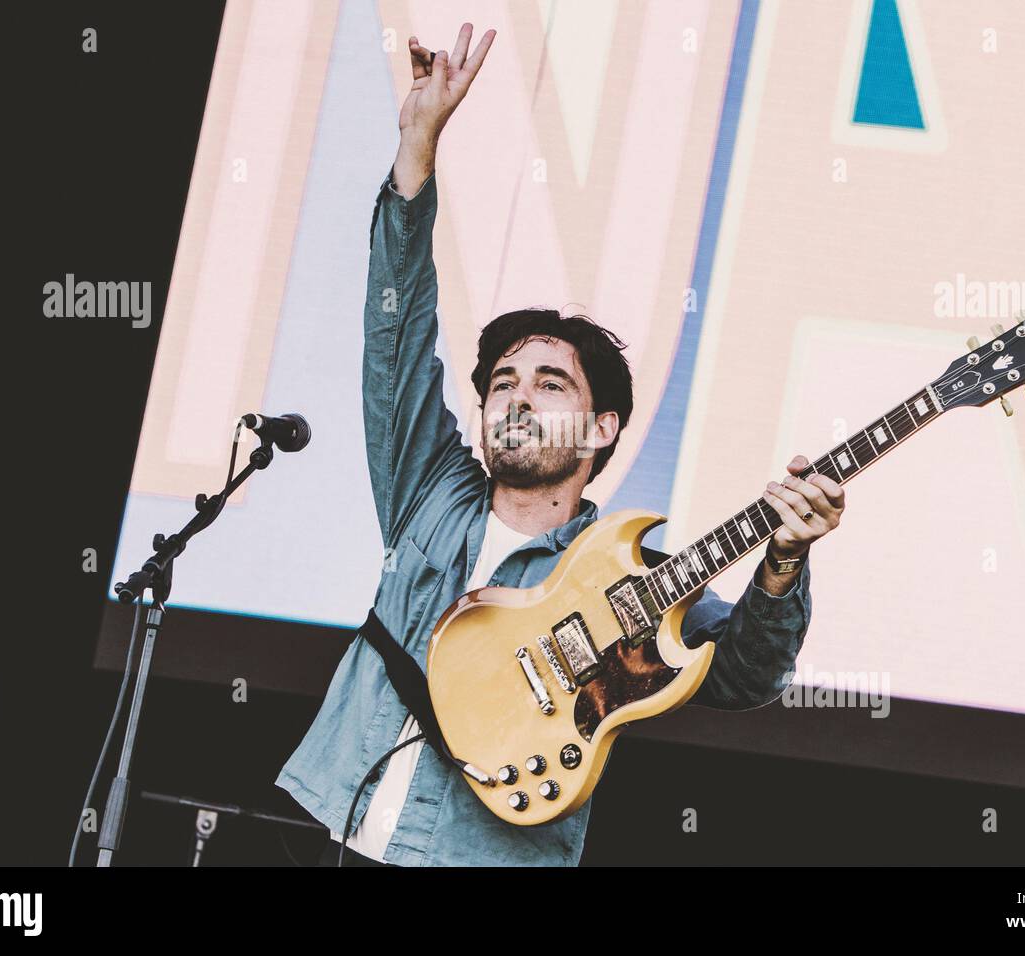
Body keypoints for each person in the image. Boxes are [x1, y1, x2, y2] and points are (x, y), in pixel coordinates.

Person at [277, 22, 846, 867]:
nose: (516, 395)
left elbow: (744, 677)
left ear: (602, 427)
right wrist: (416, 154)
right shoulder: (428, 490)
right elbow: (393, 339)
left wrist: (783, 562)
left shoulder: (630, 570)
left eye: (550, 384)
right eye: (503, 381)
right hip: (333, 828)